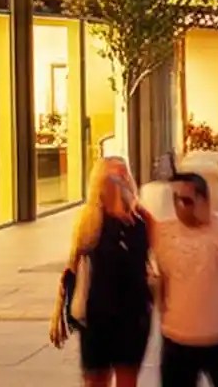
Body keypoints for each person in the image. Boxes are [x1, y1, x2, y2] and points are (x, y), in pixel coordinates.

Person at [52, 157, 153, 387]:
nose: (121, 180)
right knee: (96, 380)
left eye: (124, 174)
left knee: (127, 379)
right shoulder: (90, 220)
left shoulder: (141, 219)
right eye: (114, 176)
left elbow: (157, 257)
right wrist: (58, 311)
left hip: (133, 315)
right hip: (97, 317)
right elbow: (72, 265)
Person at [156, 172, 218, 387]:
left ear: (204, 200)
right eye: (174, 199)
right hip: (176, 342)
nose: (178, 206)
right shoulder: (163, 233)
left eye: (185, 200)